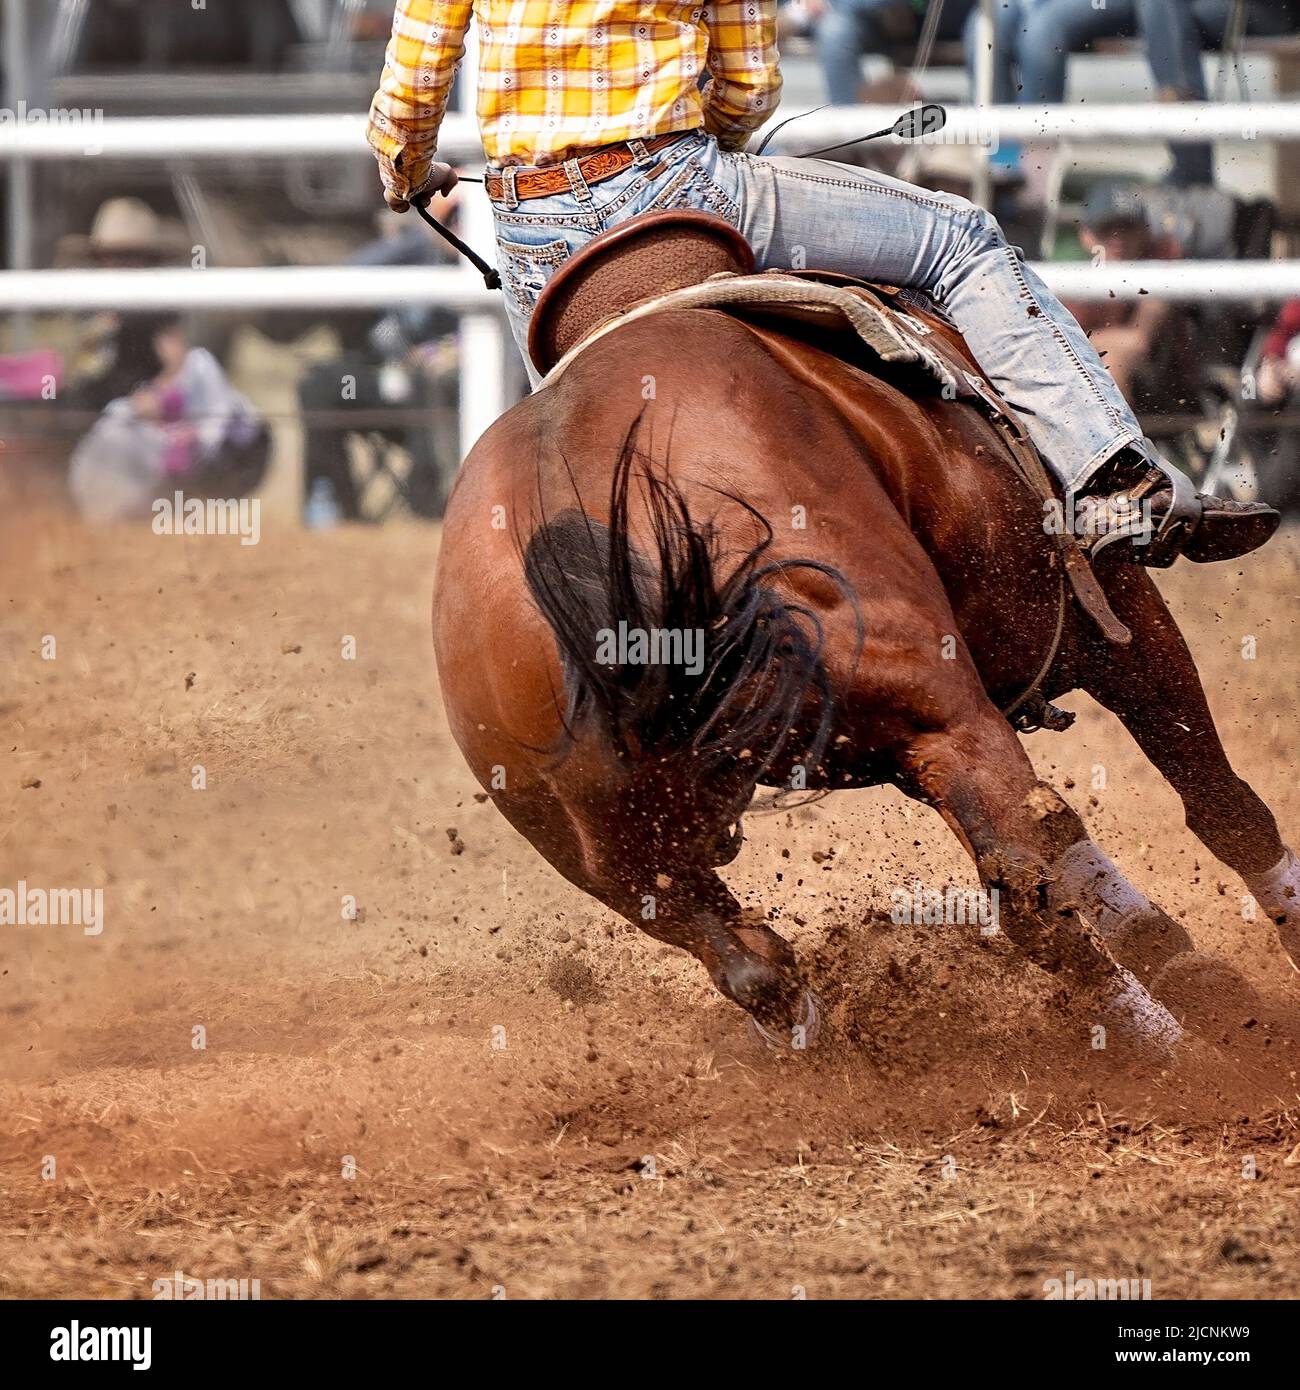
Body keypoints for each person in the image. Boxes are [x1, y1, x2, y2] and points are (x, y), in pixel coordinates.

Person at [367, 0, 1276, 566]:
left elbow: (408, 98)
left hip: (536, 240)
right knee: (959, 239)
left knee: (578, 434)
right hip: (674, 190)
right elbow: (749, 89)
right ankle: (1115, 476)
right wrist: (705, 129)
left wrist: (410, 174)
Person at [68, 314, 268, 523]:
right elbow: (117, 416)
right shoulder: (143, 384)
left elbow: (217, 421)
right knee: (116, 438)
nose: (167, 346)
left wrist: (188, 435)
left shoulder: (199, 364)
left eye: (171, 338)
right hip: (175, 465)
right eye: (163, 340)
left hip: (234, 452)